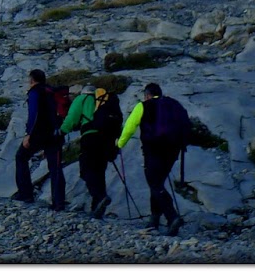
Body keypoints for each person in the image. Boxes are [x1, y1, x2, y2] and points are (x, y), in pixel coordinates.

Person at [117, 82, 189, 234]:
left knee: (155, 184)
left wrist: (120, 143)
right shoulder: (174, 105)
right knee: (157, 183)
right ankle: (154, 220)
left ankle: (172, 216)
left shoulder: (143, 106)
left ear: (147, 95)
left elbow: (130, 127)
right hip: (173, 151)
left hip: (153, 150)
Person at [62, 84, 122, 219]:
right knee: (99, 171)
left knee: (86, 170)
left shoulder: (82, 99)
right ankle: (97, 208)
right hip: (107, 139)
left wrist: (61, 131)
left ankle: (100, 197)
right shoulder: (105, 102)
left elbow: (72, 118)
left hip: (90, 137)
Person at [13, 68, 65, 211]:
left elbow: (34, 115)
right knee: (55, 168)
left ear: (32, 80)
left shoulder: (35, 92)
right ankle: (58, 203)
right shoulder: (52, 92)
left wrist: (28, 134)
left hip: (39, 134)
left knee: (21, 157)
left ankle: (25, 194)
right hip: (55, 134)